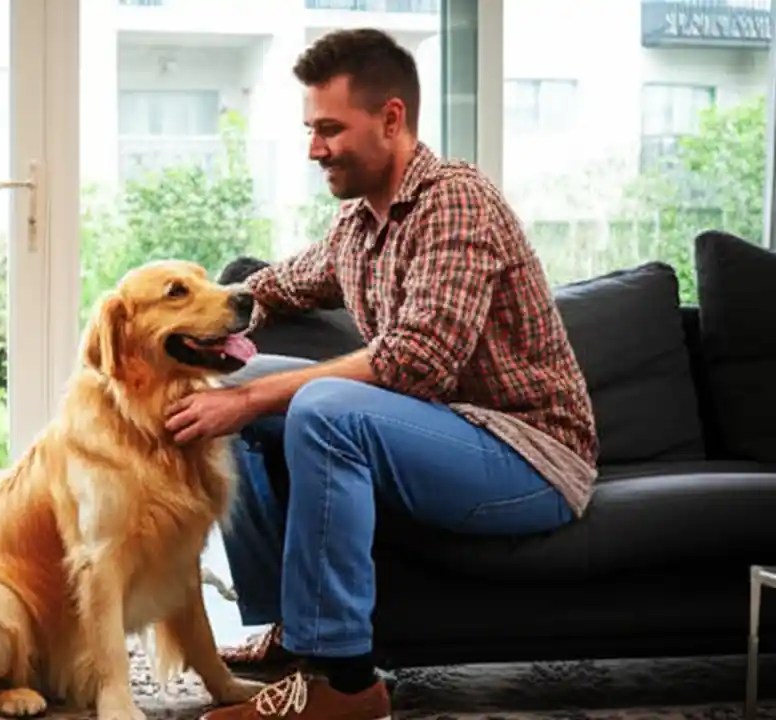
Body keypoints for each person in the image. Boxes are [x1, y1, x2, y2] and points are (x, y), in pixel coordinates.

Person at [163, 28, 599, 720]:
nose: (314, 149)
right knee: (230, 384)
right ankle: (291, 633)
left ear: (391, 119)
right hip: (447, 438)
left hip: (529, 457)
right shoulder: (359, 226)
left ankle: (345, 682)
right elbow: (278, 288)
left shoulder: (456, 202)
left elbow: (415, 361)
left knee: (321, 407)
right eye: (311, 129)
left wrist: (249, 403)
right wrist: (193, 323)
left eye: (330, 129)